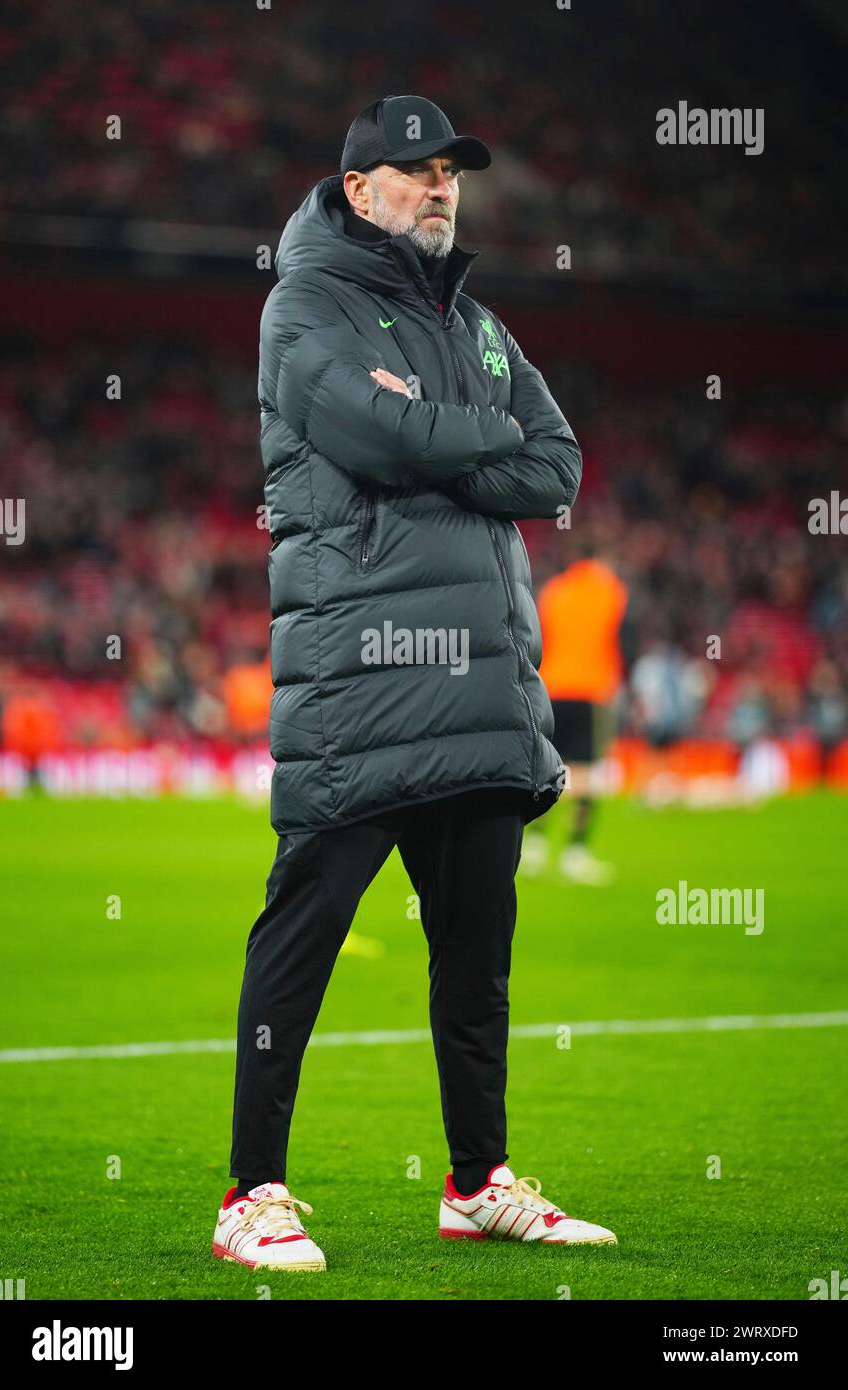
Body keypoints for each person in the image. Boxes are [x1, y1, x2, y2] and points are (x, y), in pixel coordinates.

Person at [212, 96, 617, 1271]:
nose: (438, 188)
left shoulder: (481, 328)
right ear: (357, 189)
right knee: (301, 938)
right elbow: (371, 439)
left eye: (450, 172)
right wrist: (465, 444)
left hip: (486, 698)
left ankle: (477, 1178)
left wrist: (444, 438)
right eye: (413, 170)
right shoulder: (304, 306)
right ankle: (253, 1191)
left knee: (476, 963)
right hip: (362, 688)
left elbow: (556, 469)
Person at [525, 544, 628, 885]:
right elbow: (623, 637)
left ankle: (535, 846)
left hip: (552, 687)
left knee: (548, 767)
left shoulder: (554, 590)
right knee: (584, 774)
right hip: (591, 690)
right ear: (598, 560)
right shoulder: (611, 590)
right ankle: (575, 853)